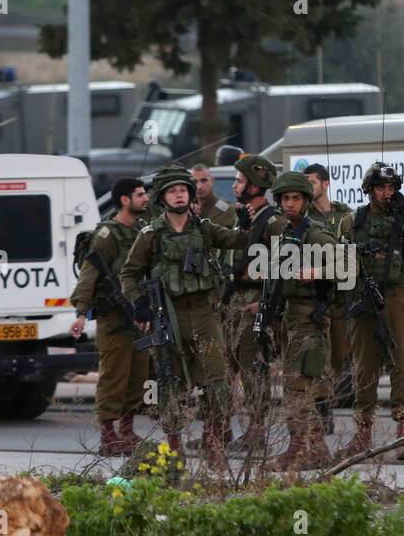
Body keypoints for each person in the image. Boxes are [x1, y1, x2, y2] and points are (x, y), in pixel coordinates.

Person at [119, 167, 251, 467]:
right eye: (172, 190)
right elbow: (128, 273)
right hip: (170, 317)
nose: (179, 194)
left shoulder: (204, 229)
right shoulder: (150, 235)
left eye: (183, 189)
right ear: (162, 197)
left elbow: (237, 241)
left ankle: (214, 444)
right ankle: (175, 448)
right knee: (170, 385)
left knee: (217, 383)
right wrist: (139, 302)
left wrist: (245, 225)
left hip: (205, 315)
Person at [337, 162, 404, 460]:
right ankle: (363, 434)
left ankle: (403, 436)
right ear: (369, 189)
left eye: (391, 188)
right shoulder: (351, 221)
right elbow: (340, 261)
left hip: (396, 298)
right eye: (381, 187)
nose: (386, 193)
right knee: (364, 370)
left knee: (402, 365)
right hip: (363, 300)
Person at [70, 178, 151, 455]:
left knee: (137, 375)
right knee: (113, 376)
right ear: (125, 200)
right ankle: (108, 433)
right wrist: (81, 312)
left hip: (140, 316)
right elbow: (89, 275)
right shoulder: (106, 235)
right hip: (114, 318)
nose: (145, 199)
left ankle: (127, 430)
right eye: (140, 195)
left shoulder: (143, 231)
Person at [269, 171, 340, 472]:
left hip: (310, 319)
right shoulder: (287, 234)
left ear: (307, 201)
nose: (290, 204)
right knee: (297, 385)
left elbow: (348, 264)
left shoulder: (315, 234)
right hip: (291, 317)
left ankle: (304, 449)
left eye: (296, 198)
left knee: (300, 386)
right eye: (285, 199)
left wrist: (317, 272)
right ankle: (309, 448)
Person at [221, 154, 288, 452]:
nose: (235, 185)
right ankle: (220, 429)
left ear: (255, 185)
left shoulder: (273, 221)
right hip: (235, 301)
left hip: (253, 302)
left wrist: (265, 305)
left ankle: (257, 431)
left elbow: (281, 268)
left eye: (239, 180)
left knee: (253, 369)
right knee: (225, 368)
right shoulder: (247, 219)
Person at [303, 163, 353, 434]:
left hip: (342, 294)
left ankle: (331, 399)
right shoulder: (304, 216)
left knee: (340, 355)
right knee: (319, 356)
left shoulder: (343, 215)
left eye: (312, 181)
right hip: (318, 293)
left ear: (325, 183)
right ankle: (323, 413)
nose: (309, 187)